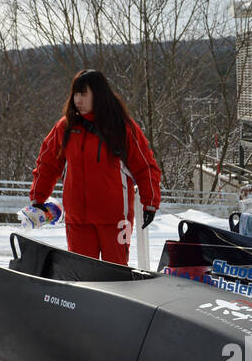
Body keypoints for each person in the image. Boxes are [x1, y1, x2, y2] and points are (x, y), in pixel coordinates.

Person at [25, 69, 161, 266]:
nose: (78, 100)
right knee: (82, 276)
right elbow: (47, 163)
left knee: (115, 275)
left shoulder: (121, 126)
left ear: (98, 95)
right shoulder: (65, 127)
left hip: (114, 219)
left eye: (84, 94)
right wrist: (38, 198)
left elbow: (145, 166)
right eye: (75, 94)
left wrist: (150, 203)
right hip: (77, 220)